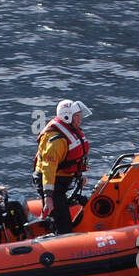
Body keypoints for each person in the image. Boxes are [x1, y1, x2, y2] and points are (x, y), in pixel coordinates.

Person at [33, 99, 92, 235]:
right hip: (50, 182)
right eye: (77, 116)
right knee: (63, 223)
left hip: (61, 180)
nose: (80, 119)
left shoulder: (69, 133)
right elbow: (49, 169)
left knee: (66, 209)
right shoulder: (56, 141)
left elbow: (69, 162)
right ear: (67, 117)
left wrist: (79, 175)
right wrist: (49, 197)